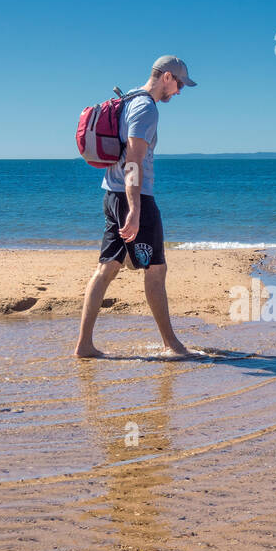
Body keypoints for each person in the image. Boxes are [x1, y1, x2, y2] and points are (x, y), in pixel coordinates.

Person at [74, 55, 197, 358]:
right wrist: (135, 209)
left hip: (111, 194)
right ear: (167, 77)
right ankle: (173, 345)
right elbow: (133, 161)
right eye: (179, 84)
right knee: (156, 270)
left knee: (105, 269)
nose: (179, 91)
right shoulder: (145, 107)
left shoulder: (130, 98)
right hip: (134, 196)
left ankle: (84, 346)